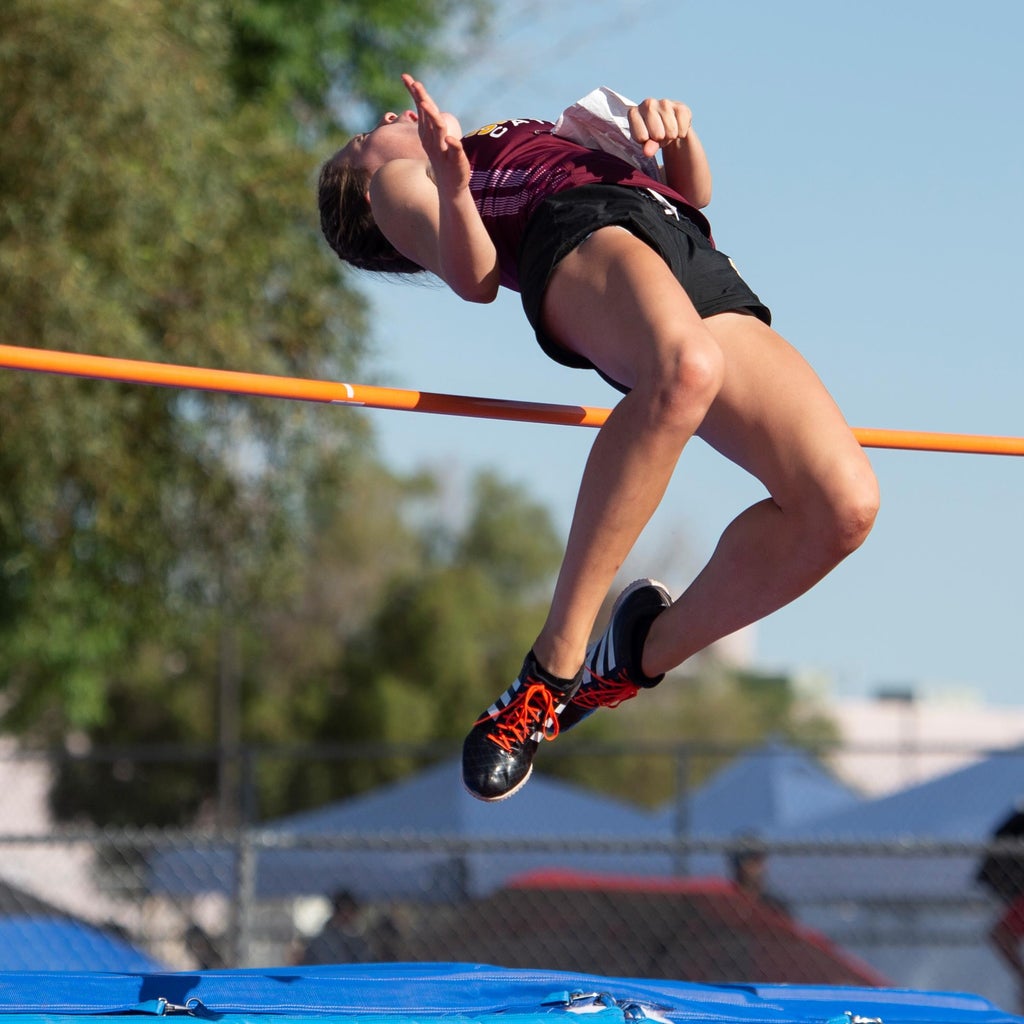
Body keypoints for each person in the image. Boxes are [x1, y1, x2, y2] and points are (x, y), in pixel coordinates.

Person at [318, 74, 879, 804]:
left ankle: (641, 652)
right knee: (683, 372)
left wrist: (678, 133)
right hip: (578, 227)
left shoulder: (505, 138)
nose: (386, 118)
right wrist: (452, 179)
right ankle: (550, 667)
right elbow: (477, 277)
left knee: (841, 507)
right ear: (366, 189)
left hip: (680, 239)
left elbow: (695, 192)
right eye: (366, 137)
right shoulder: (399, 182)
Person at [297, 889, 371, 965]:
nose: (355, 916)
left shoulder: (354, 938)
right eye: (353, 910)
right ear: (344, 911)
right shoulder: (328, 940)